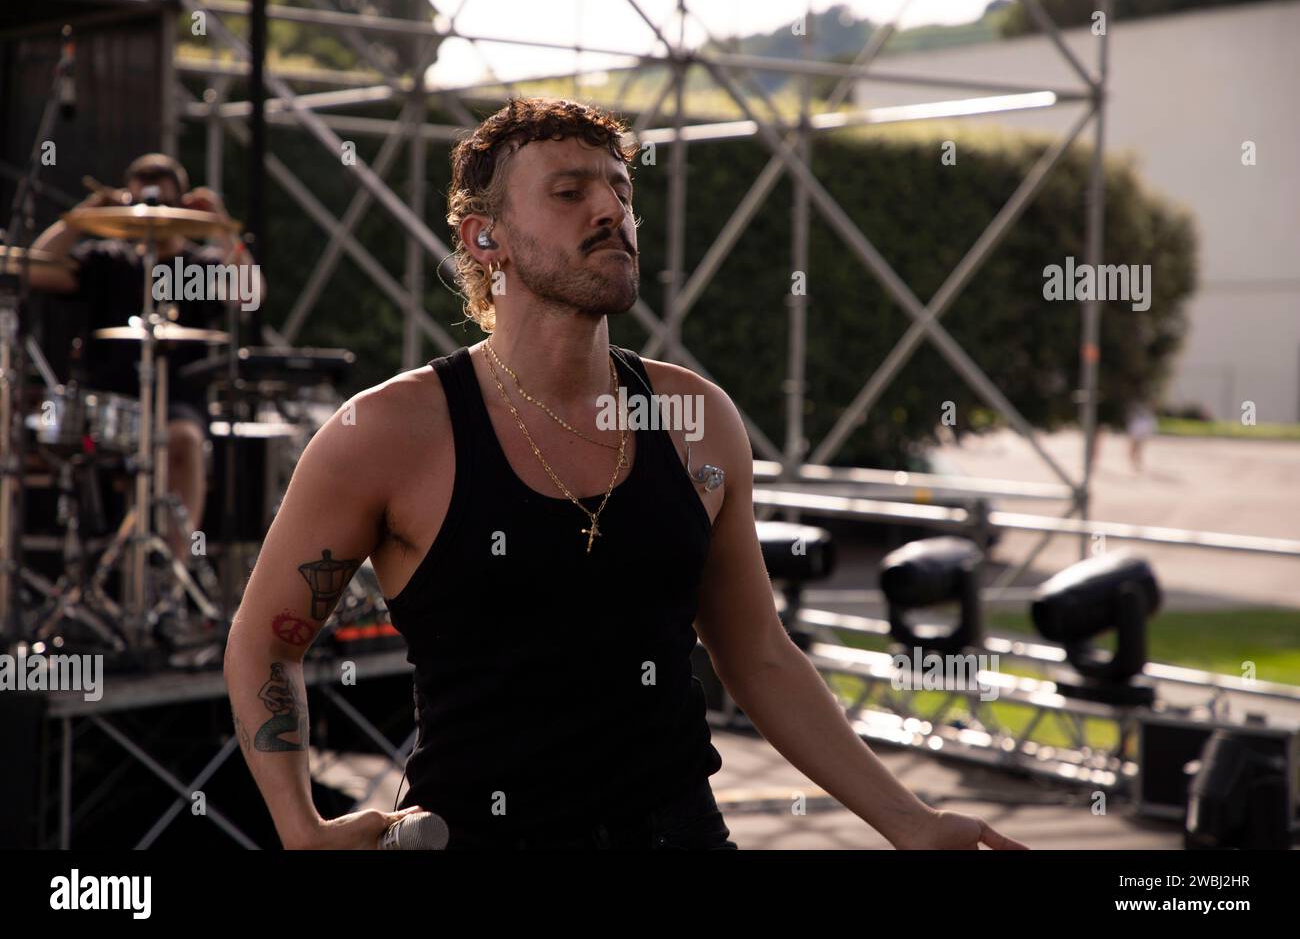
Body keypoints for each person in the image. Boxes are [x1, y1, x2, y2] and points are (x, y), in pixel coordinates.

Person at [223, 98, 1028, 851]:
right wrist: (301, 827)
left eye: (620, 190)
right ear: (483, 239)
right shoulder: (390, 432)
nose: (610, 211)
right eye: (569, 191)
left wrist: (912, 824)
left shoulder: (695, 417)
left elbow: (758, 654)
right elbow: (265, 642)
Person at [28, 153, 259, 562]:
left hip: (178, 402)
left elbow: (250, 293)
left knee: (184, 440)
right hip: (108, 403)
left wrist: (221, 225)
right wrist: (82, 216)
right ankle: (89, 564)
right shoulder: (106, 260)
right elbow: (34, 268)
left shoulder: (199, 266)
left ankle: (173, 573)